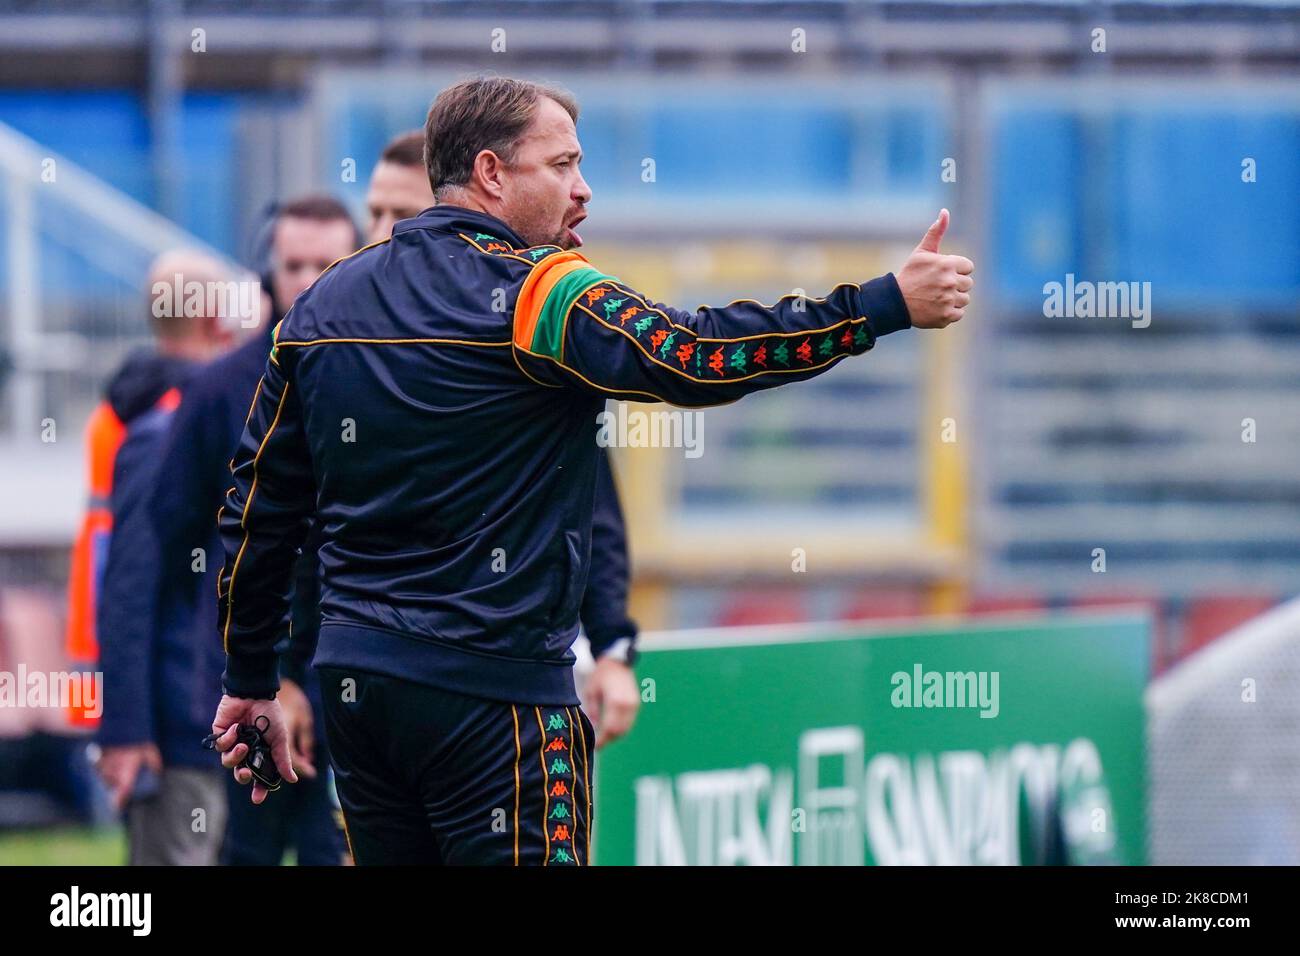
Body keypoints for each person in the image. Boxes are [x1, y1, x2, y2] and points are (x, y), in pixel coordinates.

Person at [210, 75, 972, 865]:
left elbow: (258, 509)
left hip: (361, 691)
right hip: (497, 698)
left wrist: (250, 680)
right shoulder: (542, 292)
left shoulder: (323, 306)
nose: (584, 189)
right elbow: (698, 355)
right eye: (564, 164)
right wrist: (880, 306)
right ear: (491, 173)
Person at [151, 196, 359, 866]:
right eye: (293, 263)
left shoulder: (386, 381)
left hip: (355, 684)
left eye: (326, 263)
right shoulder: (218, 391)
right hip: (239, 688)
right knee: (245, 852)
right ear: (268, 270)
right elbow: (173, 535)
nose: (307, 279)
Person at [94, 250, 237, 864]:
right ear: (213, 321)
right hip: (177, 721)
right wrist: (127, 730)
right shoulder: (167, 434)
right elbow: (128, 589)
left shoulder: (164, 420)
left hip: (196, 711)